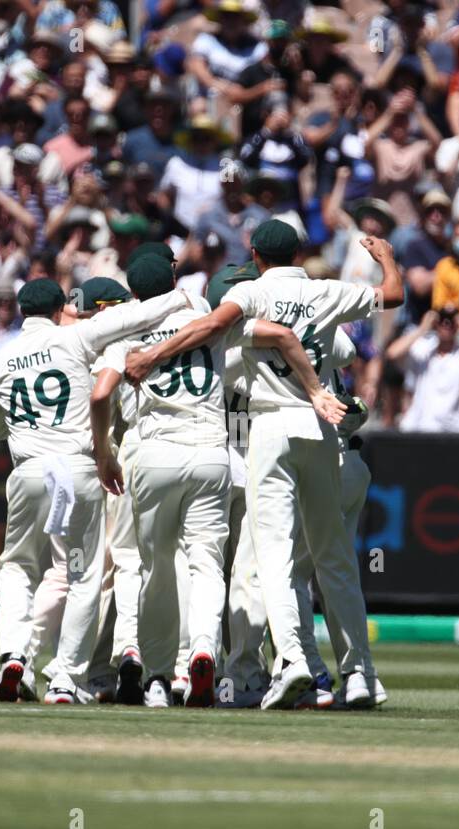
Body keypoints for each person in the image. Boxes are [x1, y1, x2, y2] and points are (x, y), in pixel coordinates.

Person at [124, 221, 401, 710]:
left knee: (272, 558)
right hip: (320, 430)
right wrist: (387, 257)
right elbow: (392, 297)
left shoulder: (249, 295)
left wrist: (153, 354)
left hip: (268, 429)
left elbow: (214, 326)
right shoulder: (327, 291)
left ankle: (293, 663)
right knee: (333, 556)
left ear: (254, 255)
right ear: (299, 250)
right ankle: (359, 673)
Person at [90, 254, 320, 708]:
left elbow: (100, 393)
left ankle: (157, 679)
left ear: (135, 294)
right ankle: (200, 651)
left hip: (154, 453)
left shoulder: (124, 328)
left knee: (156, 567)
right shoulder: (203, 314)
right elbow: (275, 334)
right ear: (174, 279)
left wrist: (103, 453)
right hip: (212, 453)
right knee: (207, 564)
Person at [0, 277, 197, 705]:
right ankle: (66, 679)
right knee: (84, 576)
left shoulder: (0, 360)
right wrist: (179, 295)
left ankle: (14, 654)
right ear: (61, 306)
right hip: (78, 468)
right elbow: (133, 315)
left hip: (28, 472)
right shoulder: (75, 339)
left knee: (18, 567)